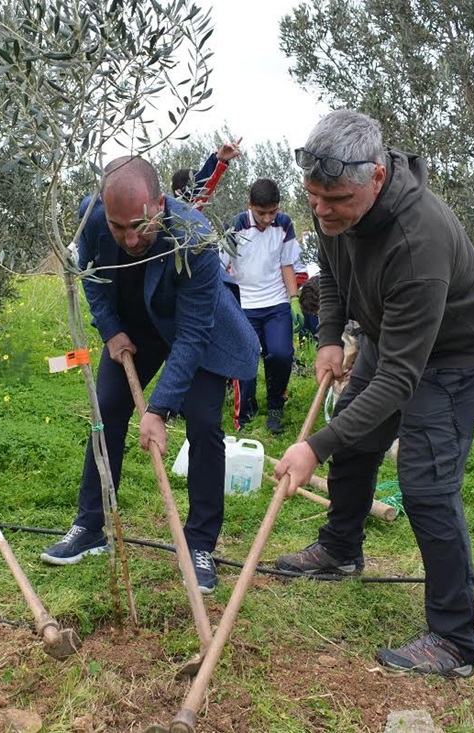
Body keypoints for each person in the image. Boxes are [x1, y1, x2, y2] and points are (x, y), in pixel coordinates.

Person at [273, 109, 474, 678]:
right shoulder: (331, 202)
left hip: (453, 355)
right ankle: (340, 550)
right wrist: (330, 337)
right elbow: (331, 273)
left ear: (377, 178)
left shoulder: (417, 238)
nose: (322, 210)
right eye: (314, 196)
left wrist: (313, 447)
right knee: (357, 441)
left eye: (338, 199)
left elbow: (402, 380)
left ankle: (455, 640)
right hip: (388, 334)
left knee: (426, 484)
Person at [40, 156, 260, 594]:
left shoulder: (193, 236)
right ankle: (90, 526)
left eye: (139, 225)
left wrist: (158, 408)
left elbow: (195, 332)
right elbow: (91, 279)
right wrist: (111, 330)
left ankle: (198, 545)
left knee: (201, 421)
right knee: (107, 413)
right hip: (134, 328)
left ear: (160, 203)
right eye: (118, 227)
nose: (129, 238)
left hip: (196, 331)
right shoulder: (94, 217)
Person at [222, 178, 303, 433]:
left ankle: (276, 406)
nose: (268, 218)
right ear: (250, 206)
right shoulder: (236, 226)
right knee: (245, 359)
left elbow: (287, 263)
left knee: (281, 354)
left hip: (276, 301)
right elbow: (220, 265)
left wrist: (294, 299)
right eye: (262, 213)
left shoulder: (284, 224)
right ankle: (245, 414)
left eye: (273, 212)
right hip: (244, 304)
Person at [170, 138, 243, 211]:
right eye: (195, 186)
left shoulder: (193, 215)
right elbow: (203, 181)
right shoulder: (173, 215)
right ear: (179, 192)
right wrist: (216, 160)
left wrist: (219, 161)